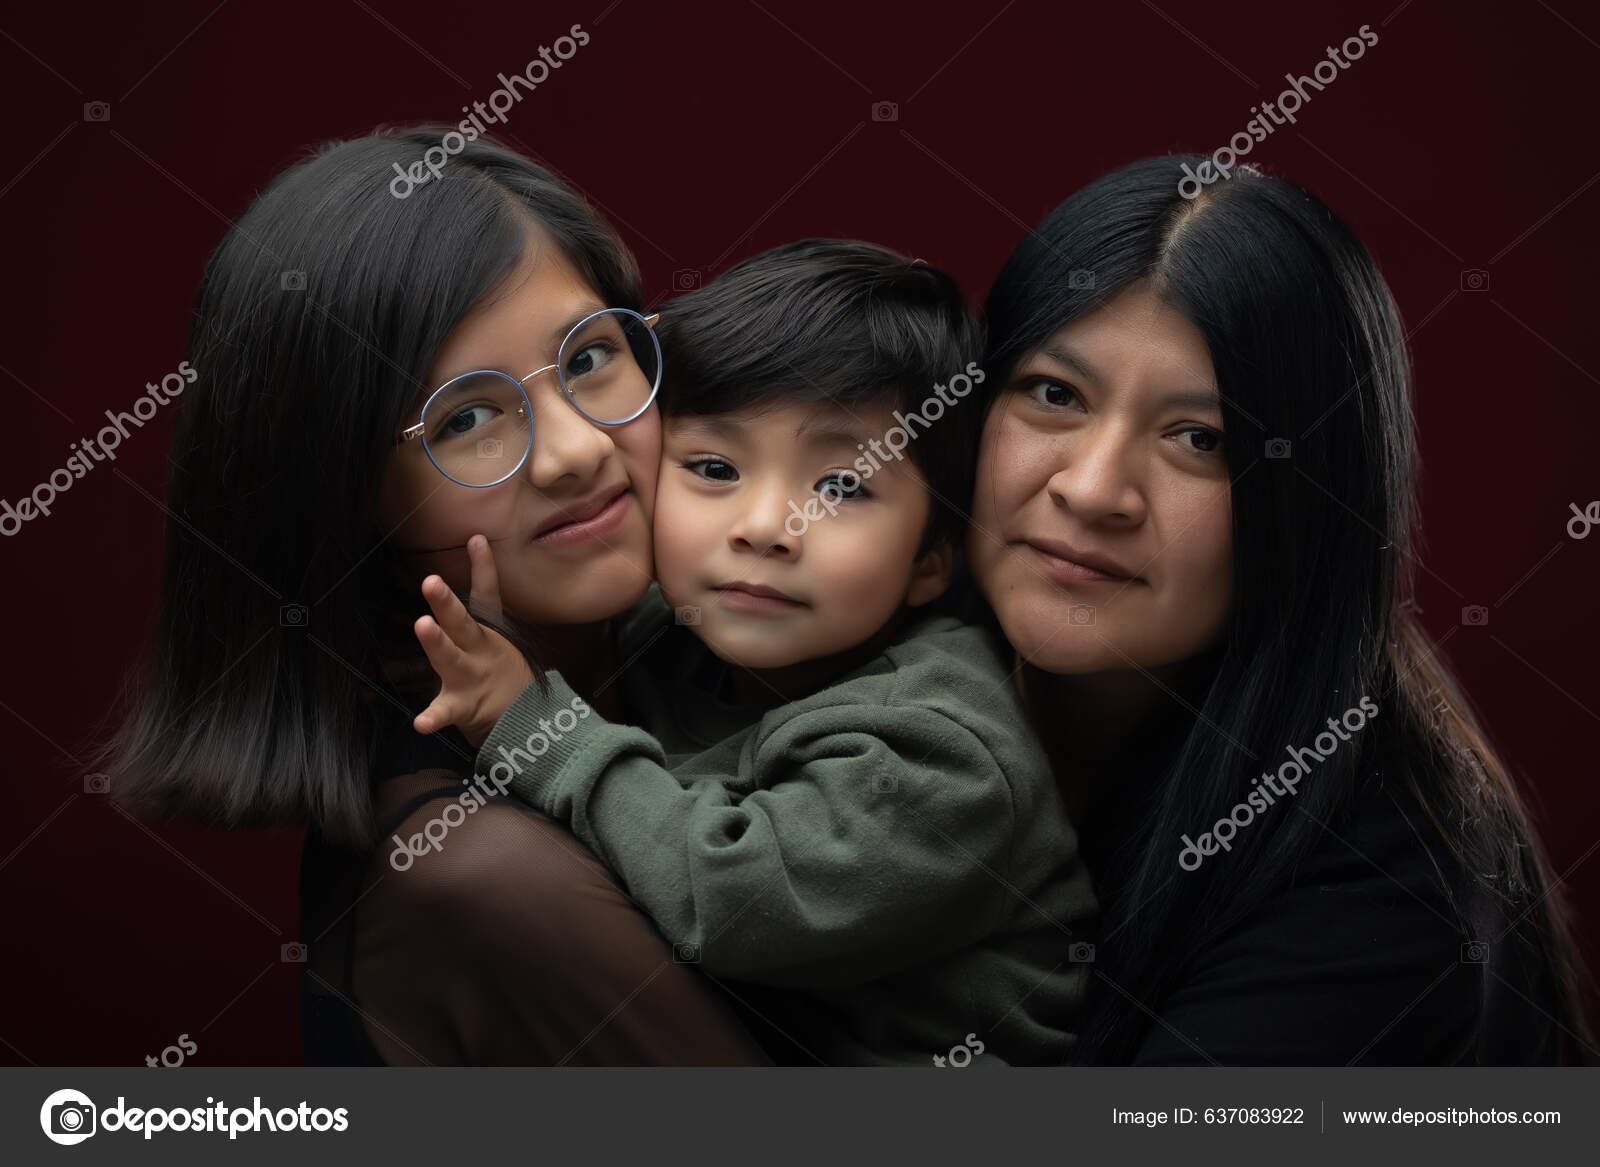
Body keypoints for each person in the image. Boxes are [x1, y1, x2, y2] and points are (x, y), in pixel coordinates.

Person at [96, 128, 777, 1065]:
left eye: (588, 358)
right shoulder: (483, 874)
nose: (577, 450)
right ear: (343, 496)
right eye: (467, 418)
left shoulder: (705, 661)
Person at [961, 155, 1592, 1064]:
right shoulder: (868, 680)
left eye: (1199, 438)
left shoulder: (1378, 897)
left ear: (1311, 502)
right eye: (1055, 394)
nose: (1093, 490)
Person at [409, 241, 1096, 1065]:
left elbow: (727, 902)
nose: (769, 527)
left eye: (840, 486)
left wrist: (539, 727)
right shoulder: (674, 632)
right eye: (714, 467)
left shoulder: (939, 750)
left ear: (929, 560)